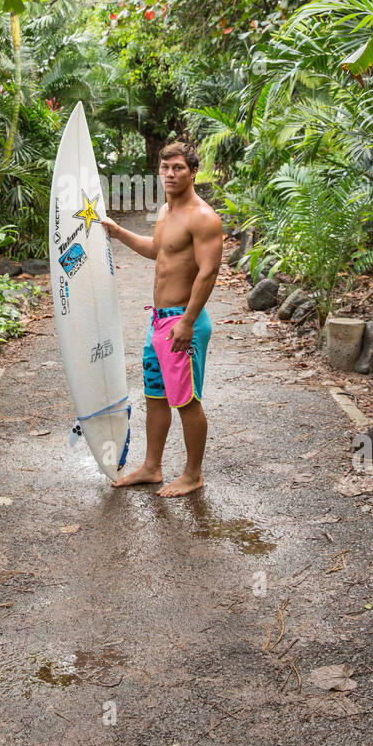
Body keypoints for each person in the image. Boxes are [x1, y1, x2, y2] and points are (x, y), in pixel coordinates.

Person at [101, 141, 223, 497]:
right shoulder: (165, 212)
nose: (170, 174)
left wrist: (187, 321)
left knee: (186, 400)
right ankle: (152, 468)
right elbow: (158, 251)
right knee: (155, 396)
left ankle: (192, 474)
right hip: (159, 322)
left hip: (183, 323)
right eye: (165, 167)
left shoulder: (202, 217)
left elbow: (208, 272)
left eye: (178, 168)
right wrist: (119, 232)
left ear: (193, 171)